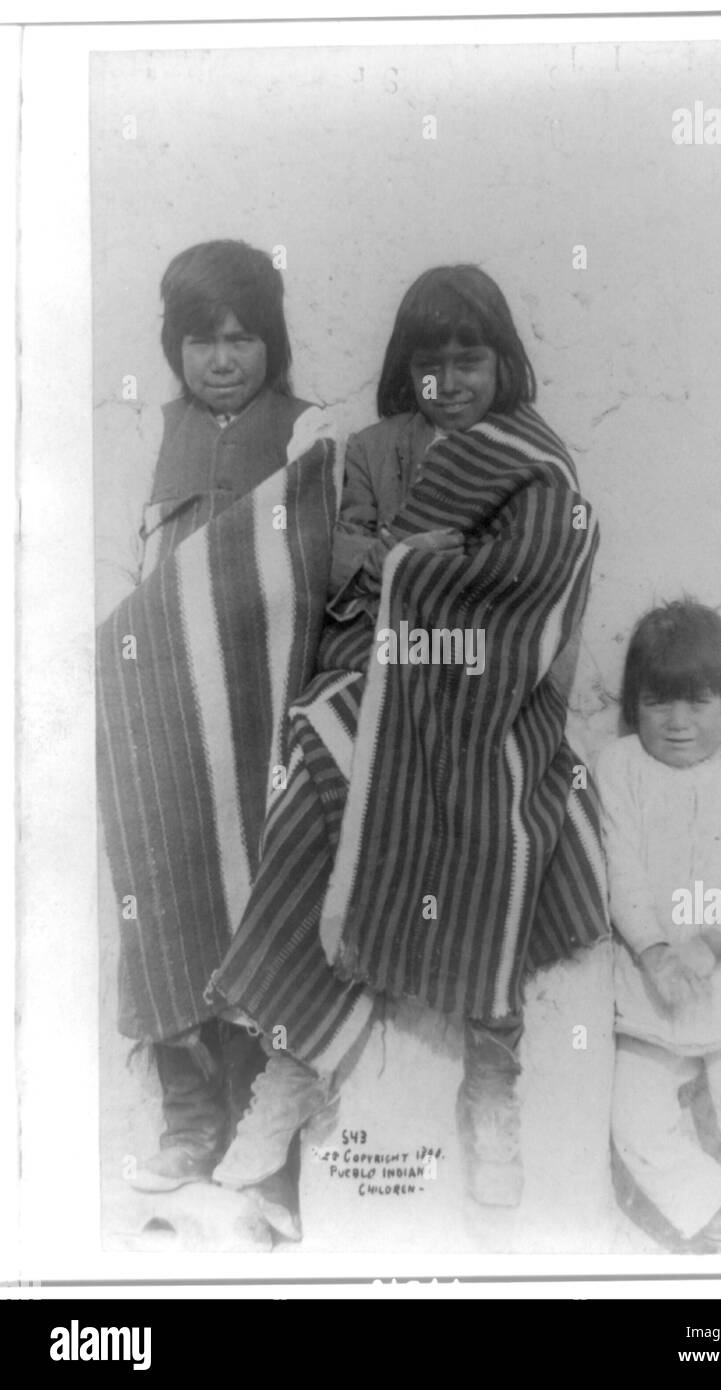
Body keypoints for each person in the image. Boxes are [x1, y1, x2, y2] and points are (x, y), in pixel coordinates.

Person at [208, 264, 609, 1212]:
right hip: (374, 679)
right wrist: (407, 566)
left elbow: (543, 580)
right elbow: (332, 563)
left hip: (491, 696)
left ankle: (492, 1076)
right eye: (431, 364)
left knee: (506, 822)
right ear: (405, 368)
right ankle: (292, 1069)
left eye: (470, 361)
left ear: (502, 364)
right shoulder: (372, 450)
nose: (450, 381)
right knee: (318, 785)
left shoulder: (532, 460)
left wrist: (436, 582)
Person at [96, 239, 335, 1224]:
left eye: (243, 338)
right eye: (203, 341)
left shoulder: (311, 432)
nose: (224, 359)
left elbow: (323, 568)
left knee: (260, 904)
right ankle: (188, 1115)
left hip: (264, 715)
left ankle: (254, 1134)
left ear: (271, 340)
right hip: (164, 716)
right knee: (161, 899)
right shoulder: (141, 441)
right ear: (175, 346)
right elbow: (119, 579)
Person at [594, 599, 721, 1253]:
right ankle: (720, 1218)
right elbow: (620, 873)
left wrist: (712, 941)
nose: (677, 723)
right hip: (652, 996)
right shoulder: (618, 767)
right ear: (632, 706)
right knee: (634, 1121)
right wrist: (655, 952)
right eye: (657, 702)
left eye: (698, 702)